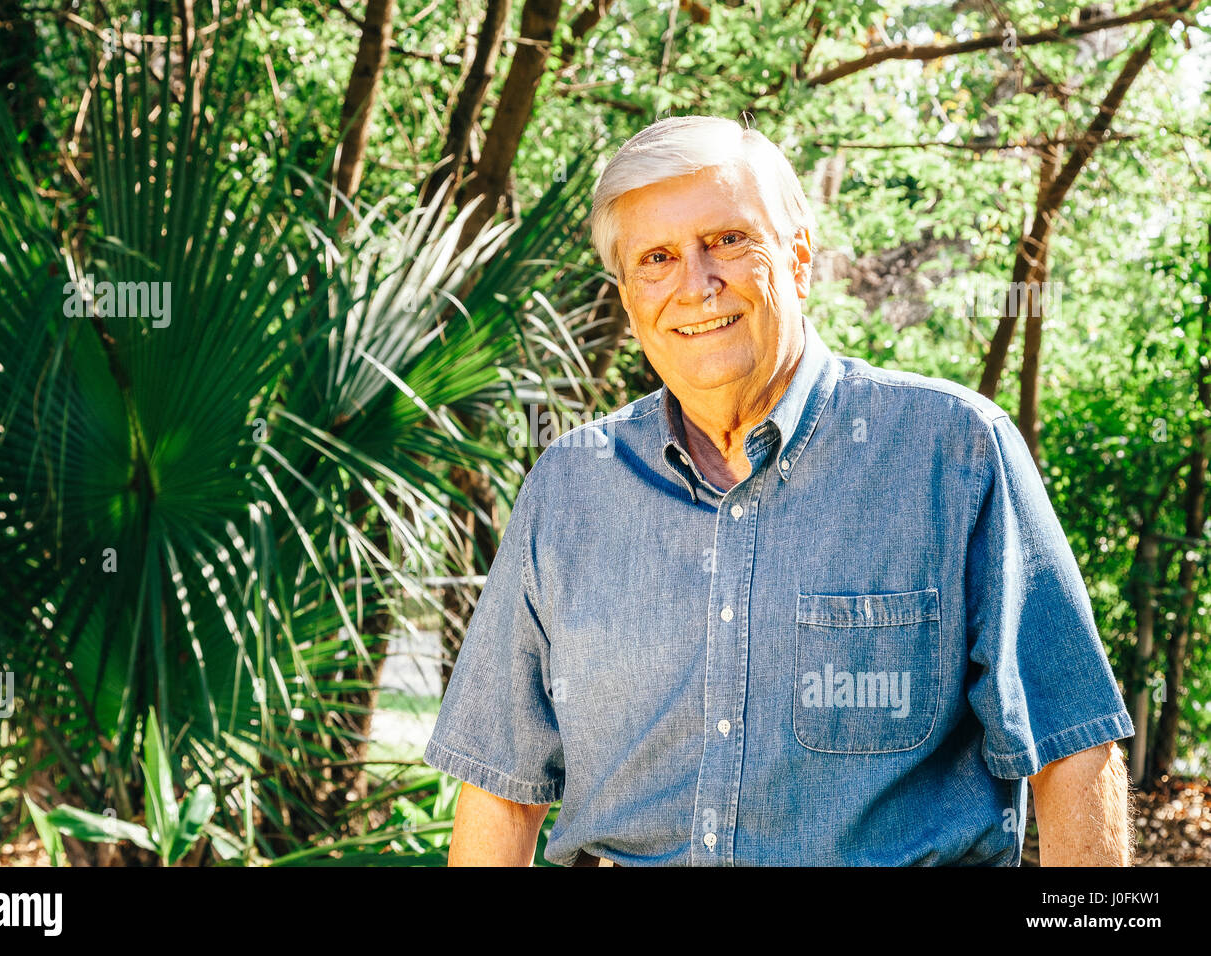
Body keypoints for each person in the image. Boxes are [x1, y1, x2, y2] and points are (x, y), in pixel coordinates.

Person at [424, 115, 1135, 866]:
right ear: (630, 298)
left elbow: (1073, 746)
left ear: (798, 259)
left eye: (727, 241)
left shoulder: (954, 452)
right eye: (658, 258)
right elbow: (502, 785)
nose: (697, 286)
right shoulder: (569, 487)